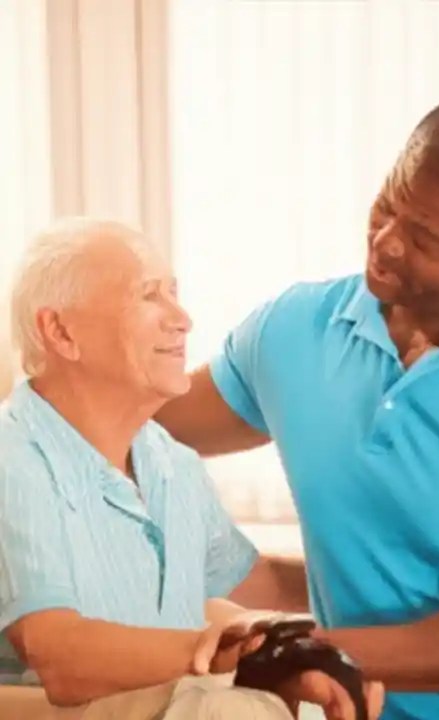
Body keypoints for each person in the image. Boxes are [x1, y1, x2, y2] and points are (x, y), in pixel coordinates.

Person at [153, 92, 439, 719]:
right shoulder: (294, 329)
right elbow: (147, 425)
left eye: (425, 239)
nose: (387, 242)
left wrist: (305, 650)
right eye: (387, 205)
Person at [0, 218, 383, 719]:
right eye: (148, 295)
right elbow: (59, 657)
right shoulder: (13, 456)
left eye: (174, 293)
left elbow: (243, 596)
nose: (182, 319)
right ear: (60, 331)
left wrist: (296, 655)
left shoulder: (171, 463)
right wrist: (219, 653)